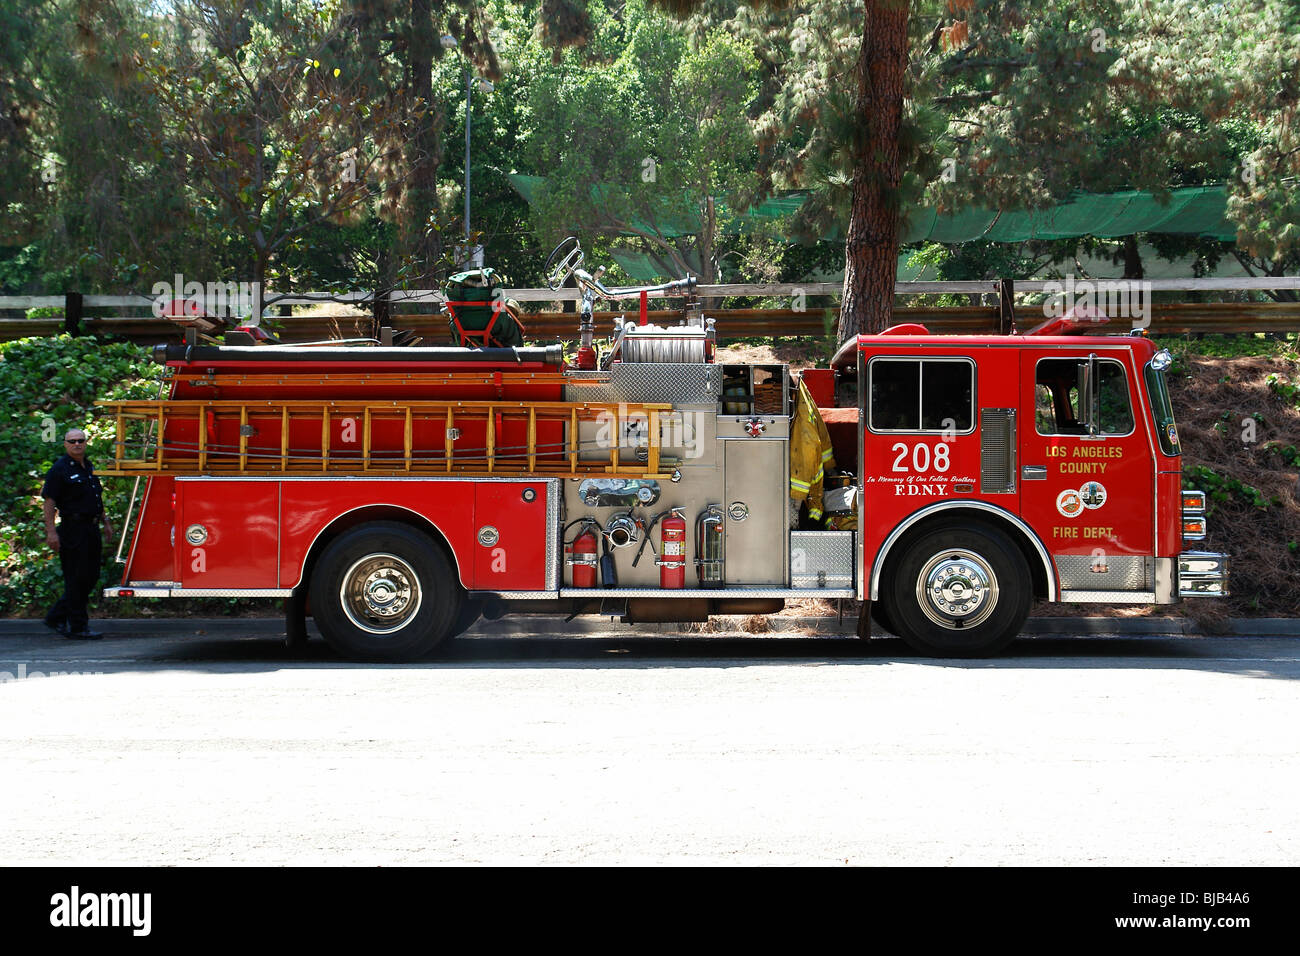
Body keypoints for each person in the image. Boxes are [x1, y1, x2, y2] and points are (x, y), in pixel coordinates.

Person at [42, 429, 113, 640]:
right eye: (72, 441)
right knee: (76, 577)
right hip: (72, 528)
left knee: (91, 576)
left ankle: (56, 616)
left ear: (86, 443)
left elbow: (95, 498)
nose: (77, 444)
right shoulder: (59, 469)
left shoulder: (88, 466)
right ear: (65, 444)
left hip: (91, 527)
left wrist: (105, 522)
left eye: (80, 440)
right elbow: (49, 502)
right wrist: (51, 531)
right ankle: (78, 626)